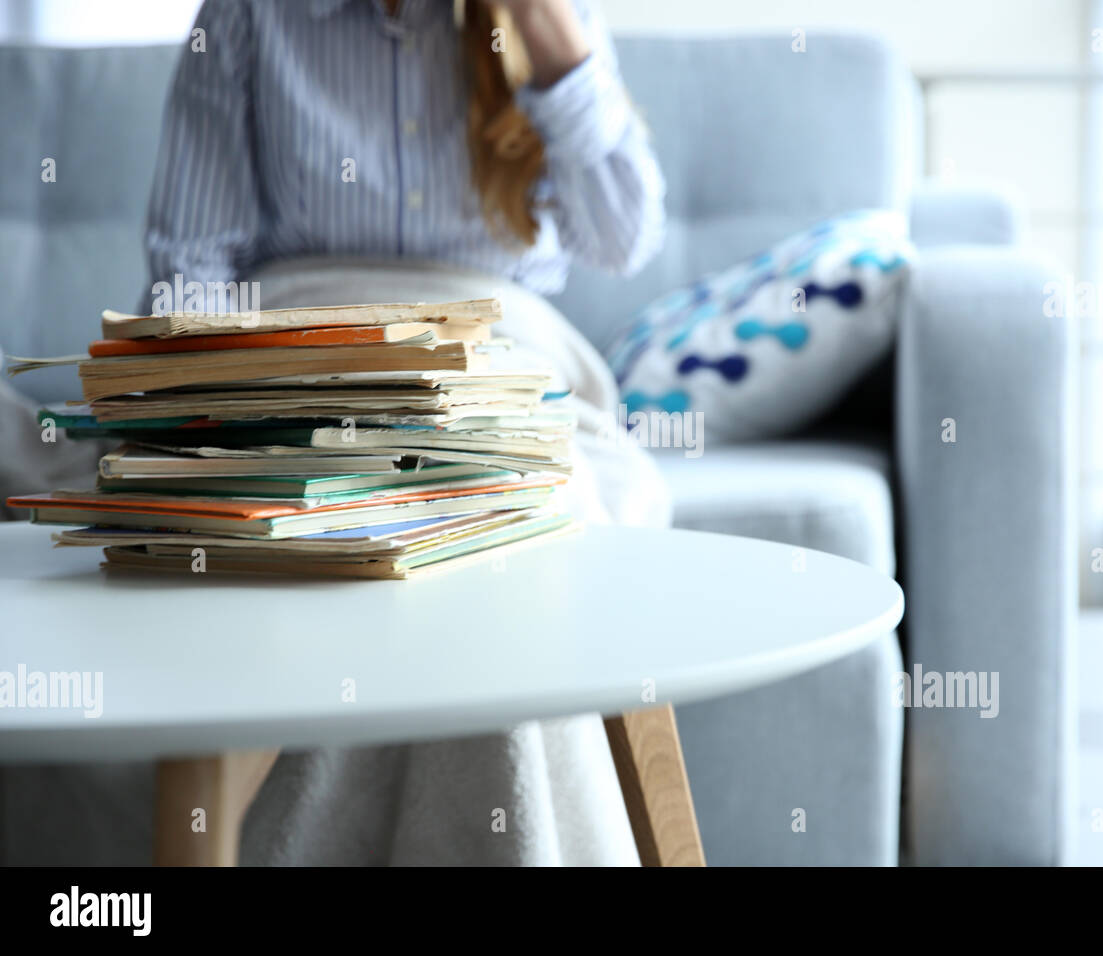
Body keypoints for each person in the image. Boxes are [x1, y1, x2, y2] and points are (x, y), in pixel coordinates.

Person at [4, 0, 670, 866]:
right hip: (295, 351)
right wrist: (221, 413)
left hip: (499, 359)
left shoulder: (544, 17)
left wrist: (551, 39)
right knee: (309, 527)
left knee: (511, 522)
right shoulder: (248, 16)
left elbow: (623, 238)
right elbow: (191, 270)